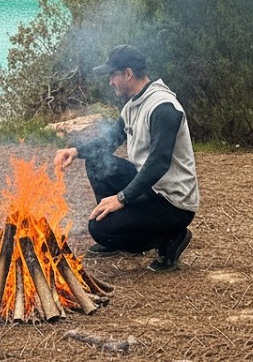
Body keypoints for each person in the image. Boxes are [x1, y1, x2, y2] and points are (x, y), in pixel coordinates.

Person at [54, 45, 200, 271]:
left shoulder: (163, 107)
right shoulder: (132, 106)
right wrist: (75, 151)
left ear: (128, 74)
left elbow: (159, 163)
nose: (110, 81)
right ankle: (121, 230)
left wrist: (121, 198)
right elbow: (110, 139)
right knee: (96, 160)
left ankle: (171, 238)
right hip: (150, 188)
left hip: (172, 203)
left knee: (99, 230)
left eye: (113, 75)